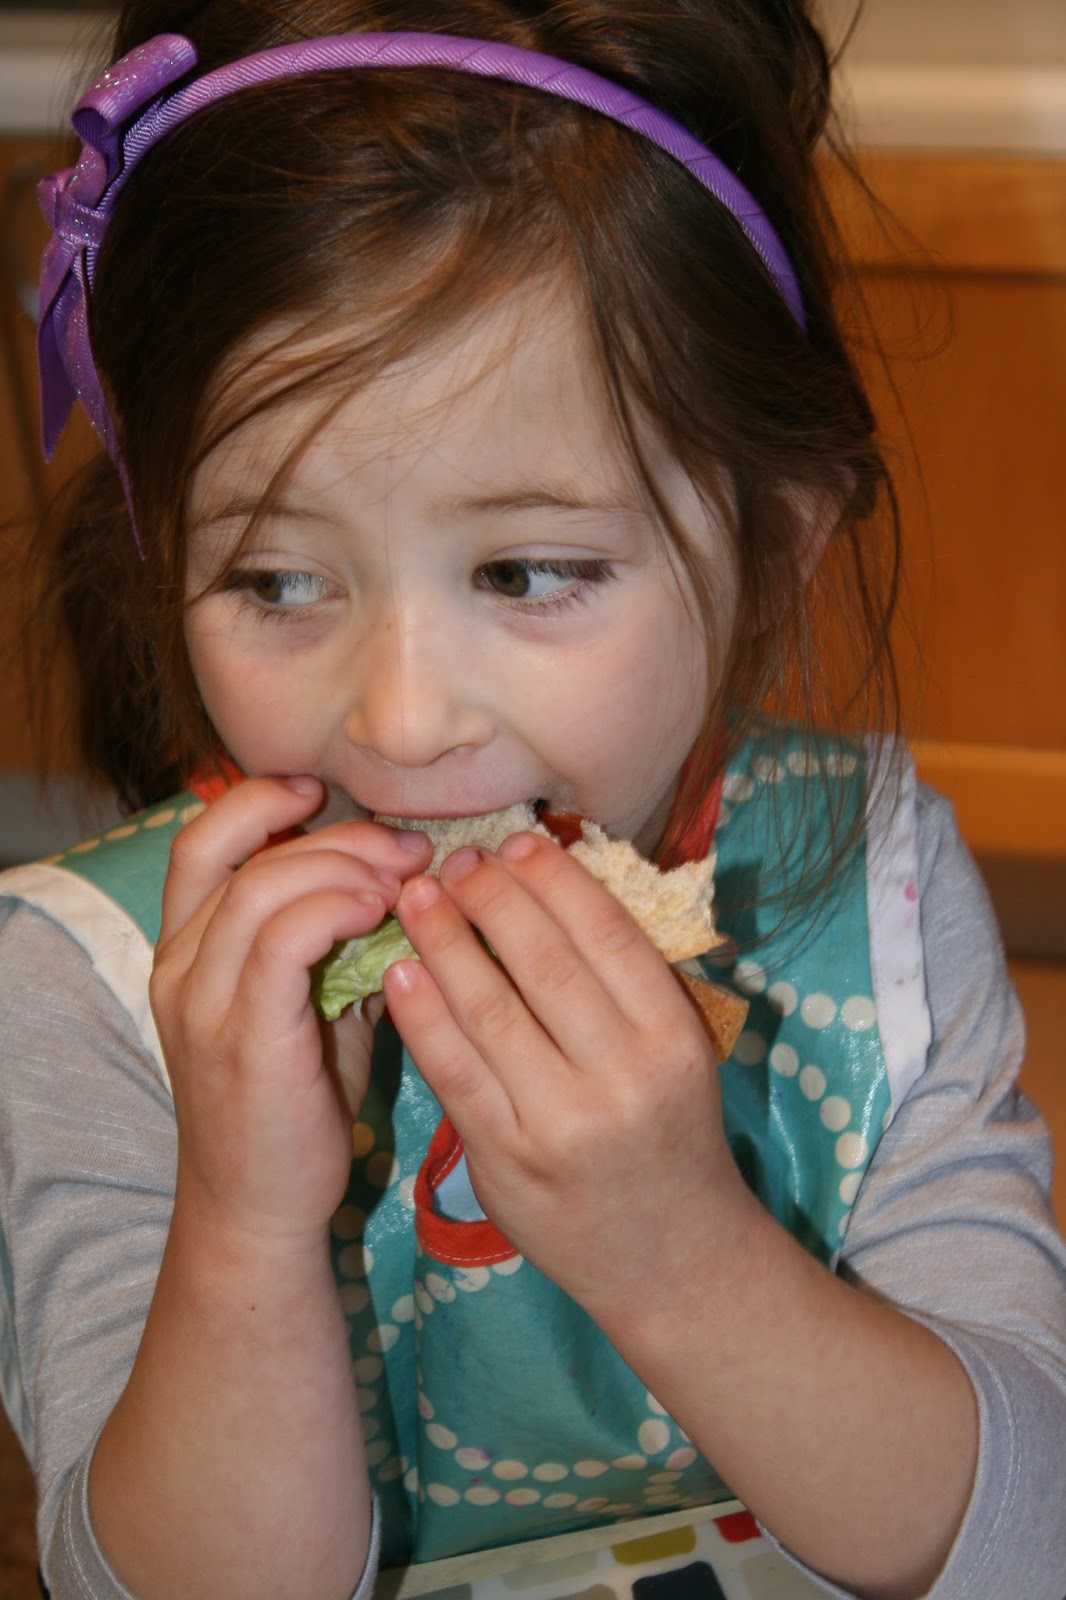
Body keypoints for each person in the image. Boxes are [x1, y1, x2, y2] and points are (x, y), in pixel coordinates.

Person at [1, 3, 1064, 1598]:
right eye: (278, 580)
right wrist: (240, 1226)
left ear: (772, 546)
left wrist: (683, 1257)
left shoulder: (870, 890)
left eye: (527, 571)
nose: (404, 719)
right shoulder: (81, 981)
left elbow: (1022, 1543)